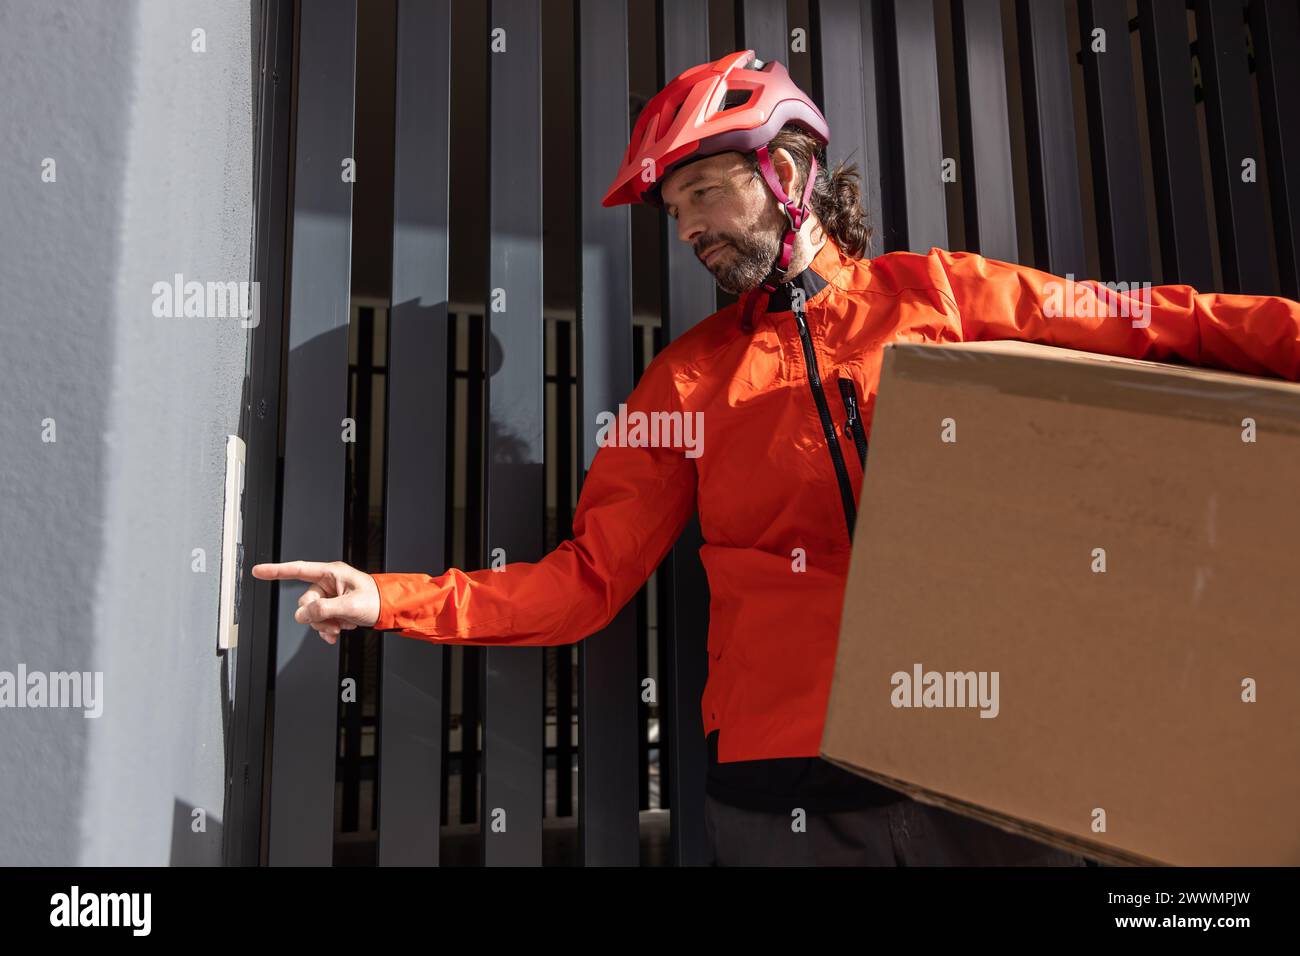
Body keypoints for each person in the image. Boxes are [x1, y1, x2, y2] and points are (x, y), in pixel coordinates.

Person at [253, 50, 1300, 866]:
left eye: (704, 192)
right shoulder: (684, 385)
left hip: (983, 771)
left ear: (786, 171)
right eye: (675, 213)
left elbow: (1152, 322)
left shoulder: (937, 294)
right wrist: (386, 596)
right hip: (782, 802)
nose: (690, 229)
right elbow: (583, 582)